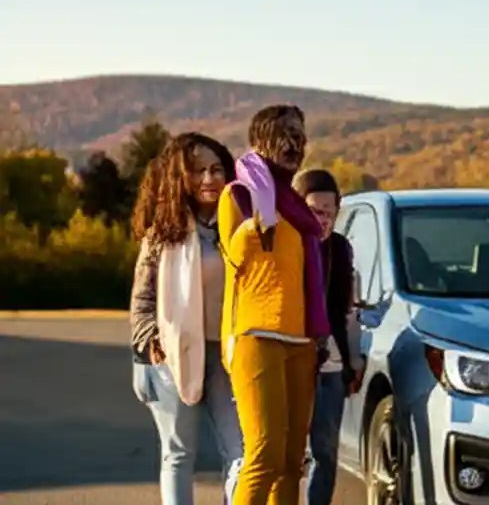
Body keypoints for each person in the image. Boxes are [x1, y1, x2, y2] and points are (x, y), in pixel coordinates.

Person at [218, 104, 330, 505]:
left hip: (301, 340)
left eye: (300, 136)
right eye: (285, 135)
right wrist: (258, 220)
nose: (295, 144)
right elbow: (234, 257)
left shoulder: (297, 207)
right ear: (259, 141)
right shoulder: (239, 194)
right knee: (264, 456)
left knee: (291, 462)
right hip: (256, 334)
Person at [129, 132, 245, 505]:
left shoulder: (241, 227)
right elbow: (143, 299)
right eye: (198, 171)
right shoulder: (163, 233)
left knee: (241, 452)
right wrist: (148, 344)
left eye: (216, 169)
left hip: (231, 355)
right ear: (181, 177)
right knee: (178, 454)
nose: (209, 179)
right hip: (174, 354)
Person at [293, 169, 365, 505]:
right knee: (285, 452)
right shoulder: (287, 245)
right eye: (313, 211)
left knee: (325, 450)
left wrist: (353, 360)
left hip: (330, 363)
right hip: (291, 358)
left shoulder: (340, 248)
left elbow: (347, 308)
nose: (321, 220)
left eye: (328, 212)